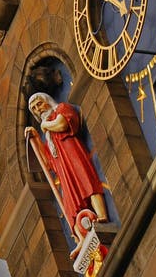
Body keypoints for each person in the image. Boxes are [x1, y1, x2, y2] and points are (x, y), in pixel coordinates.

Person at [25, 93, 107, 245]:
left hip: (74, 155)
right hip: (63, 169)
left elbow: (62, 125)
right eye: (34, 108)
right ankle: (81, 238)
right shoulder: (47, 135)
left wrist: (44, 126)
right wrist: (36, 138)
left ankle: (101, 215)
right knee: (70, 203)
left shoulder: (62, 109)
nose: (38, 109)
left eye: (39, 104)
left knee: (87, 183)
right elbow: (47, 163)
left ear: (47, 101)